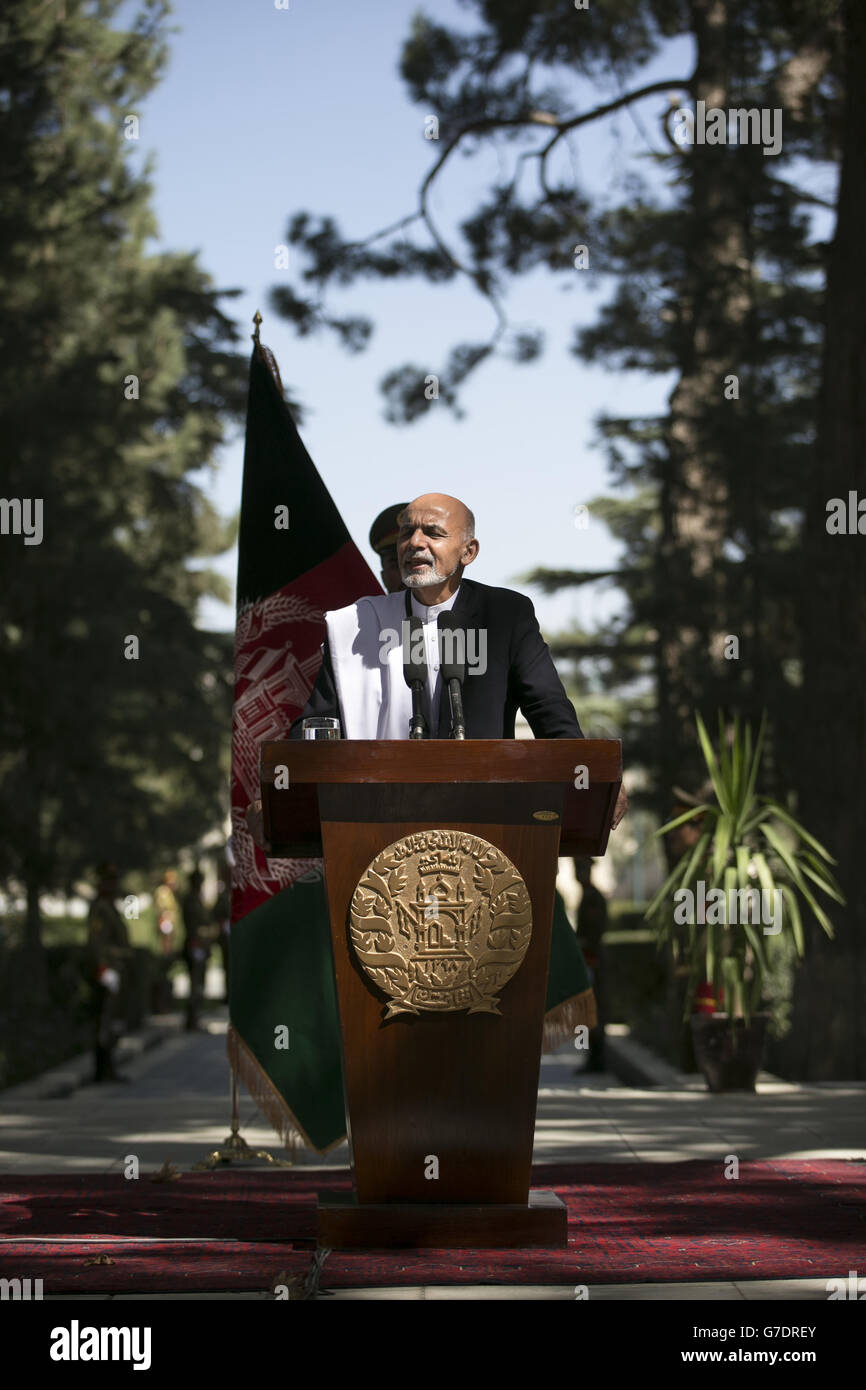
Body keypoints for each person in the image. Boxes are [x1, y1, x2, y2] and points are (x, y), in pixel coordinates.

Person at [248, 493, 627, 824]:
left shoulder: (504, 614)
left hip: (487, 819)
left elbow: (549, 710)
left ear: (468, 552)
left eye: (433, 533)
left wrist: (590, 774)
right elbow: (317, 725)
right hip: (375, 821)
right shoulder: (357, 625)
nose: (415, 542)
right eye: (406, 533)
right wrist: (280, 794)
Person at [86, 862, 132, 1083]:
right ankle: (102, 1069)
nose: (114, 885)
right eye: (110, 881)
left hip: (115, 968)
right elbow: (96, 942)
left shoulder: (110, 905)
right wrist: (103, 968)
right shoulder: (100, 907)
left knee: (112, 1019)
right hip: (108, 970)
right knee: (105, 1019)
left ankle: (109, 1067)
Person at [574, 857, 609, 1071]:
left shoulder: (594, 898)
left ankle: (597, 1060)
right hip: (588, 959)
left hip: (592, 960)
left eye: (581, 869)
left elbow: (594, 933)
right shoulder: (587, 897)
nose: (578, 874)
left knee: (595, 1011)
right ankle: (591, 1059)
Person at [181, 867, 210, 1031]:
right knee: (195, 985)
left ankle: (195, 1018)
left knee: (199, 985)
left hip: (201, 946)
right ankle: (192, 1020)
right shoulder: (191, 900)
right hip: (195, 946)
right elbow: (193, 925)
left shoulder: (198, 898)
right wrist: (196, 946)